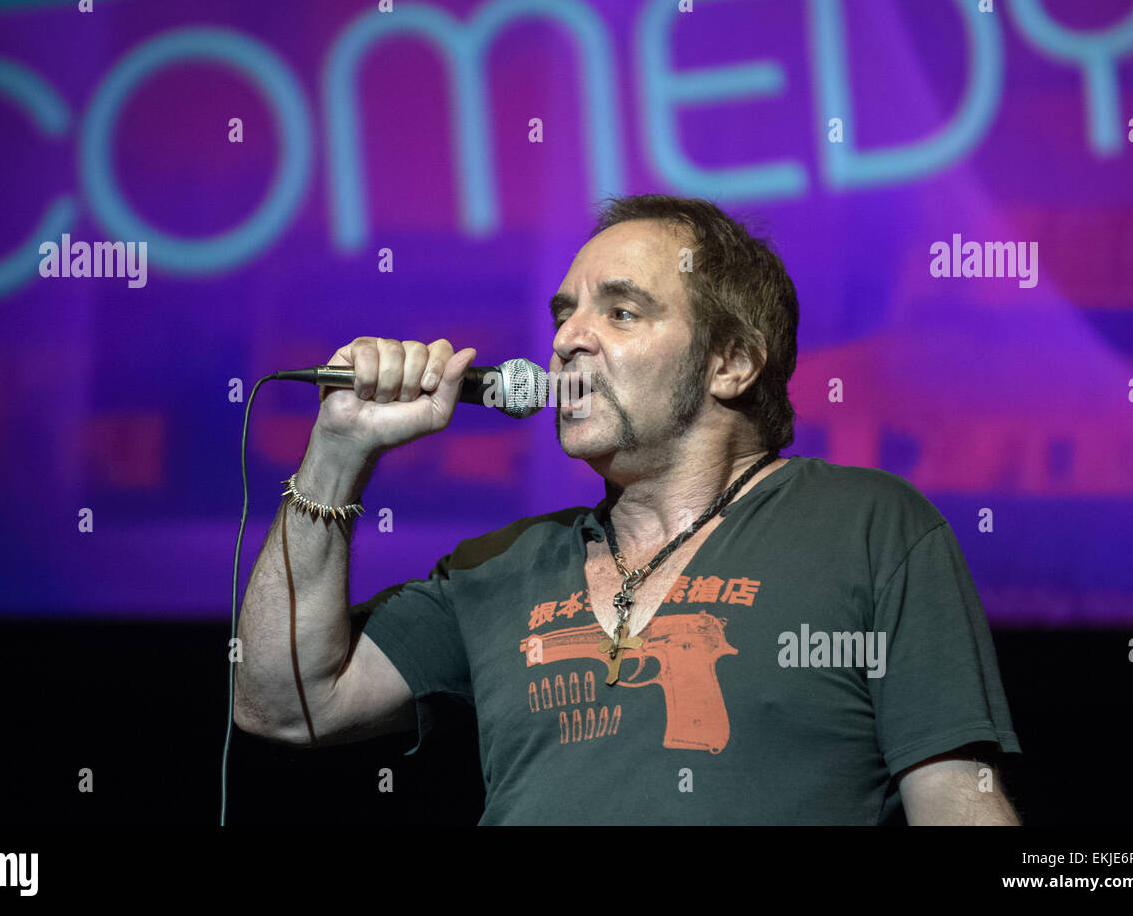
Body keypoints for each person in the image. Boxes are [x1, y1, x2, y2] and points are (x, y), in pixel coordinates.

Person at [234, 194, 1022, 825]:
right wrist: (337, 456)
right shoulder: (495, 567)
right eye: (563, 313)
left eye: (620, 312)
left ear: (731, 361)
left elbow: (955, 799)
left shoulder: (868, 525)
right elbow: (282, 702)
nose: (568, 339)